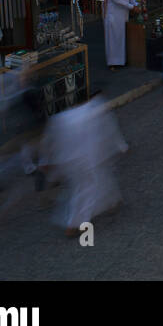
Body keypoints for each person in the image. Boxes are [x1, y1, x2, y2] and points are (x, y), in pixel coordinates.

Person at [45, 97, 127, 235]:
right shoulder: (94, 109)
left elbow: (52, 141)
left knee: (91, 182)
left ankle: (112, 202)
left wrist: (53, 163)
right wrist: (122, 146)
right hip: (90, 158)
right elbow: (110, 129)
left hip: (70, 160)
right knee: (87, 188)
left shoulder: (60, 117)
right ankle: (75, 223)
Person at [101, 0, 139, 71]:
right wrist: (132, 7)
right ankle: (112, 63)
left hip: (123, 17)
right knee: (113, 40)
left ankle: (121, 61)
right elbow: (117, 1)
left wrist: (136, 4)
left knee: (122, 39)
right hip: (113, 17)